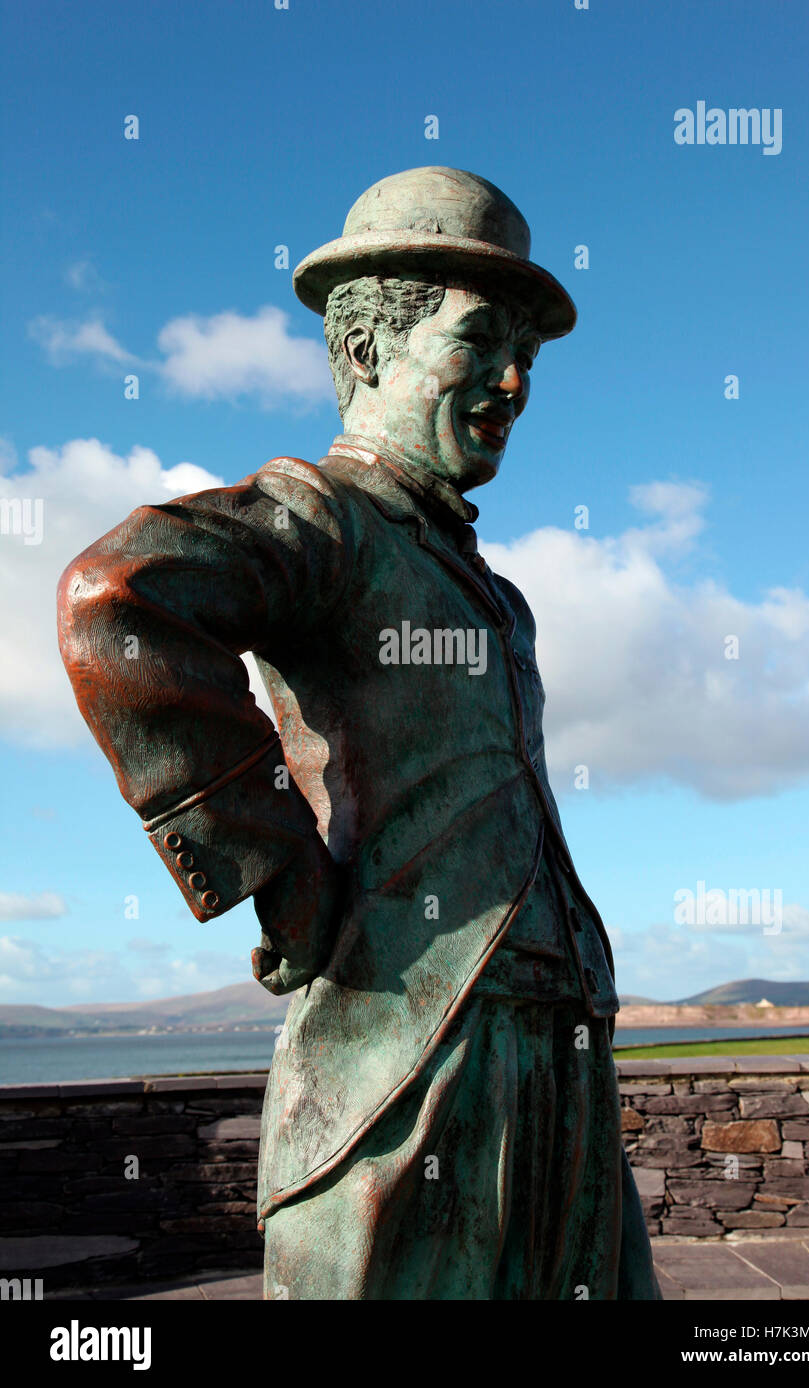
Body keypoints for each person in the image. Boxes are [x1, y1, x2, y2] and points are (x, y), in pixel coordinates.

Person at [57, 166, 661, 1300]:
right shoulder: (329, 521)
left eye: (528, 350)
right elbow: (118, 599)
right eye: (479, 338)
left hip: (557, 1049)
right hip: (413, 1063)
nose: (515, 379)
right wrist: (276, 869)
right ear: (365, 351)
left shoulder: (496, 591)